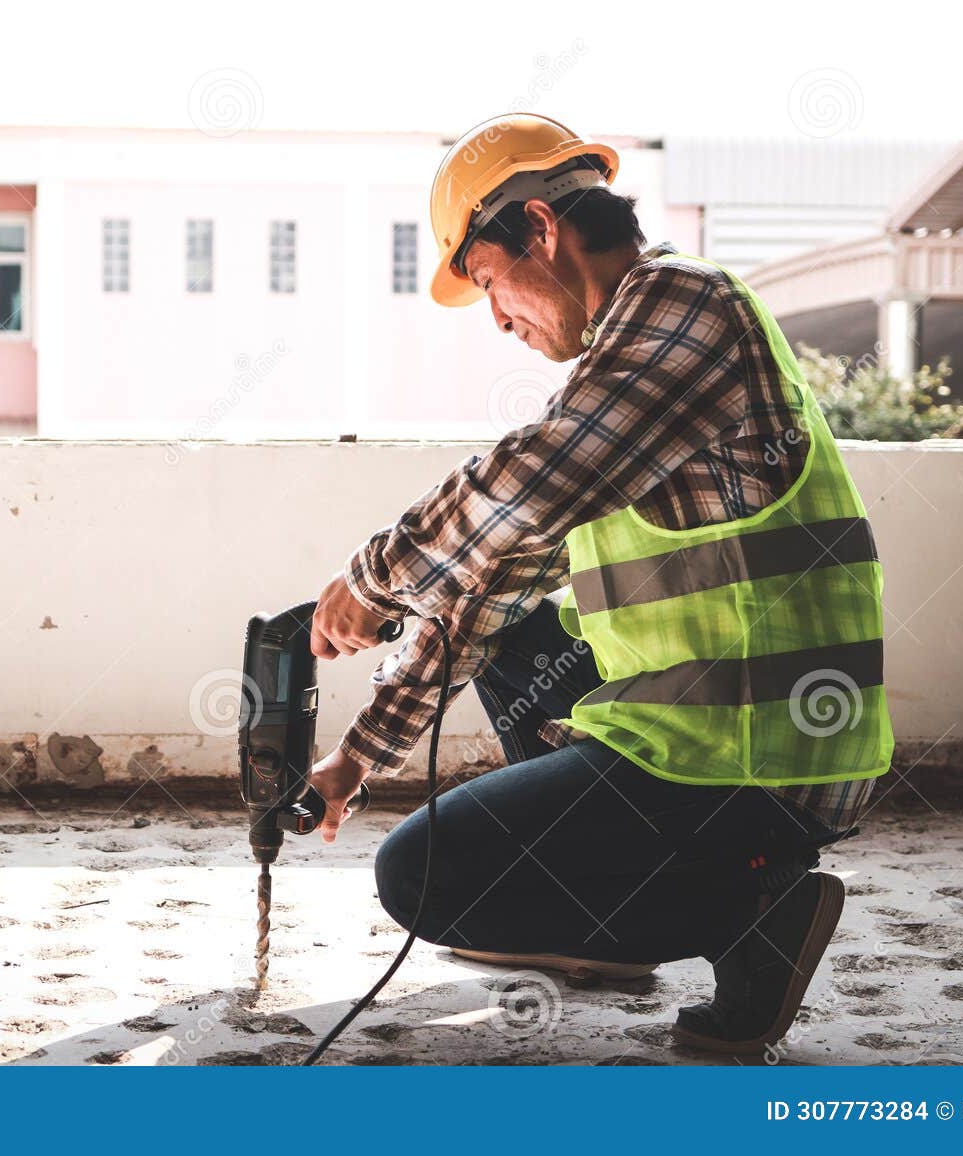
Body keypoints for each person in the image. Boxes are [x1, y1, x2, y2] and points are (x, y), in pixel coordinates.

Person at [307, 113, 893, 1054]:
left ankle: (753, 905)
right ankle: (623, 921)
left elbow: (532, 481)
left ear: (541, 229)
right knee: (504, 626)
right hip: (692, 735)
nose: (498, 319)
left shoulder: (689, 305)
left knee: (425, 877)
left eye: (493, 283)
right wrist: (358, 758)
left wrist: (372, 579)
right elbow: (490, 585)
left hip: (761, 762)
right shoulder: (626, 369)